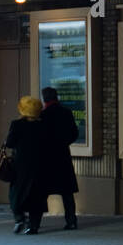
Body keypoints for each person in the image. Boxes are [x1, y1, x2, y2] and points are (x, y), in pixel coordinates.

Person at [5, 96, 47, 234]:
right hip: (40, 164)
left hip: (20, 165)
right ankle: (33, 225)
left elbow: (9, 143)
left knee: (15, 193)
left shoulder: (17, 124)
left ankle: (19, 218)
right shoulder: (43, 125)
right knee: (37, 195)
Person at [39, 86, 80, 230]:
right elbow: (74, 133)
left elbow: (39, 136)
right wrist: (64, 142)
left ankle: (35, 222)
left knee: (42, 190)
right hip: (62, 155)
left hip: (46, 157)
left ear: (44, 98)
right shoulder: (66, 112)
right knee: (67, 191)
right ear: (56, 97)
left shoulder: (42, 115)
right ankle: (71, 220)